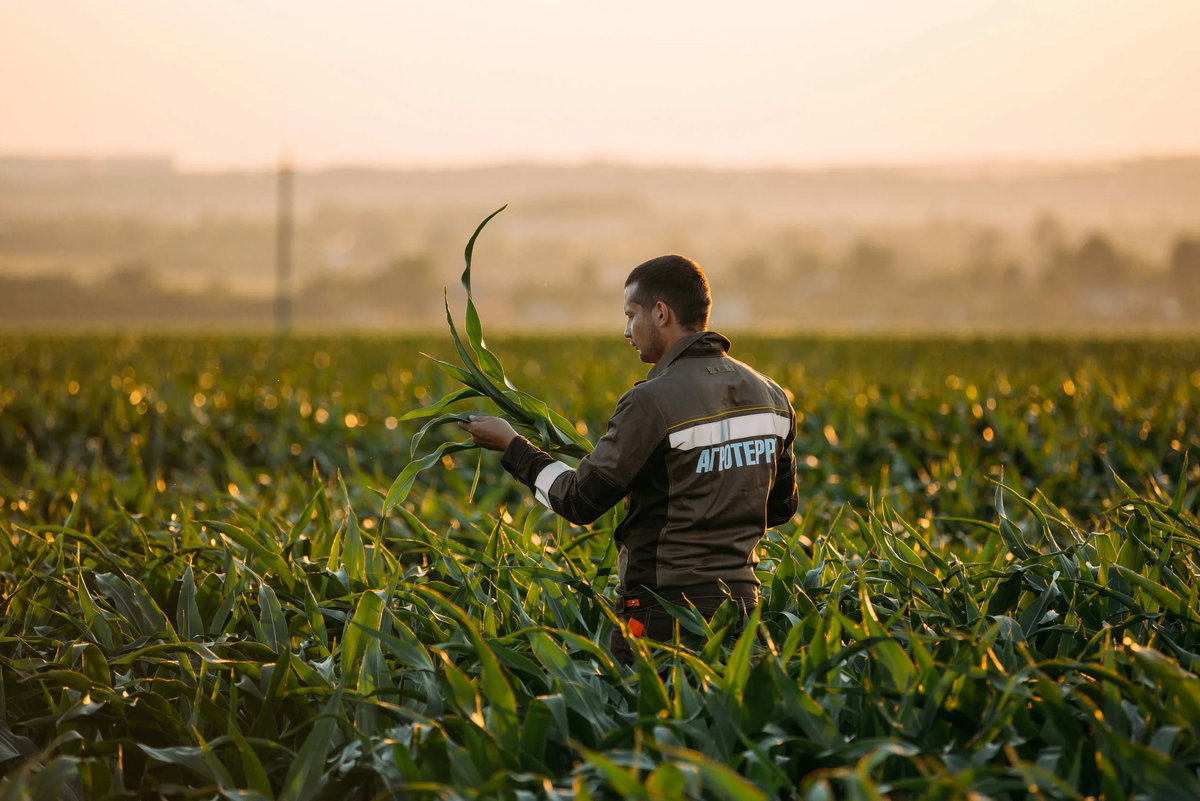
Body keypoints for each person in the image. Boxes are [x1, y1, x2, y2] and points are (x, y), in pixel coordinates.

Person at [458, 254, 797, 665]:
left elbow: (578, 501)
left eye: (631, 315)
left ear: (661, 313)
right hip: (743, 613)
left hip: (662, 617)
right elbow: (780, 507)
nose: (626, 331)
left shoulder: (651, 402)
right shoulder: (771, 395)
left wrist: (512, 446)